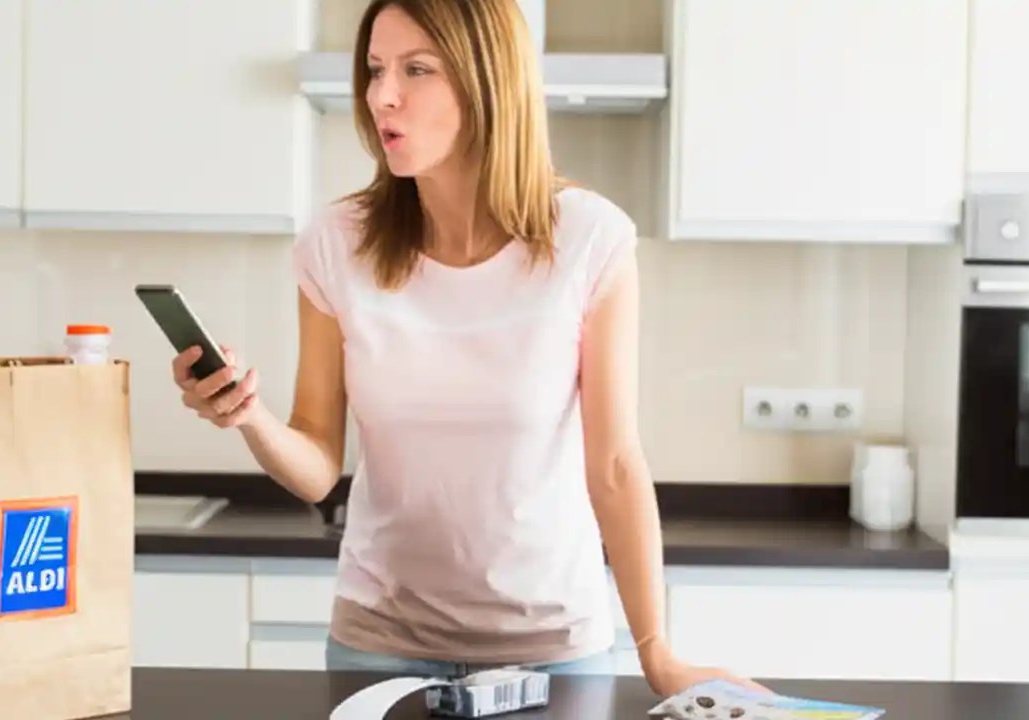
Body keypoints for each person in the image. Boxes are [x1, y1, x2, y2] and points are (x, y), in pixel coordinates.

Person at [171, 0, 768, 699]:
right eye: (374, 69)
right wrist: (248, 416)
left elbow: (612, 465)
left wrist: (655, 651)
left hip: (554, 654)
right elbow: (316, 468)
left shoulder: (588, 240)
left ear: (488, 82)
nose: (381, 95)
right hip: (378, 647)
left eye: (416, 69)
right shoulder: (336, 245)